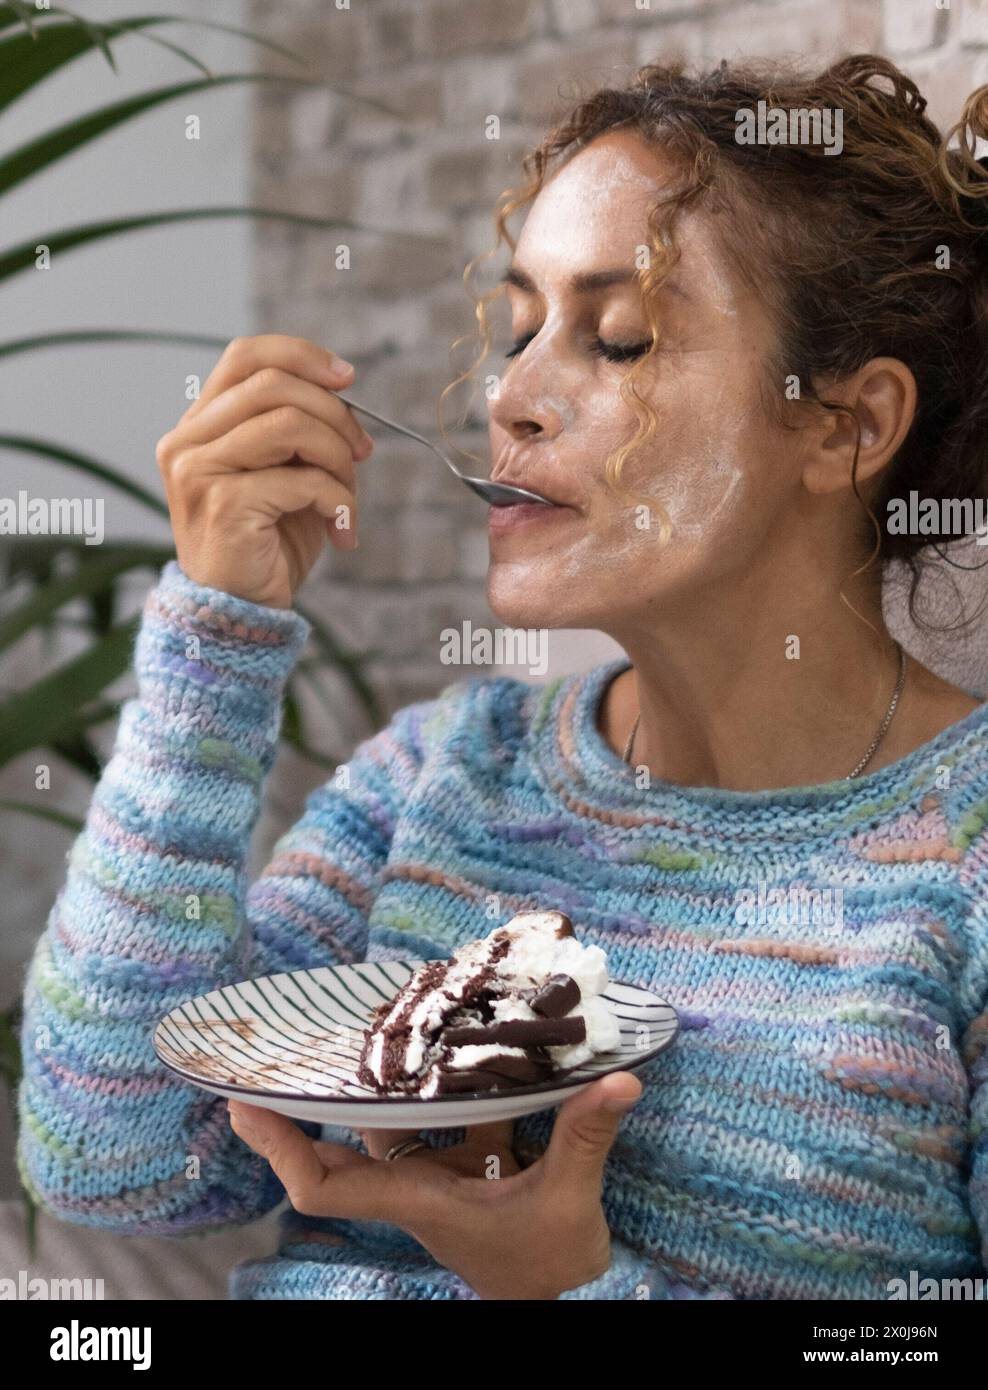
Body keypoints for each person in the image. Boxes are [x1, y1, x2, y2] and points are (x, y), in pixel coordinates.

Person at [17, 52, 988, 1300]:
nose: (511, 396)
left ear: (848, 426)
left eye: (620, 339)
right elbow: (118, 1158)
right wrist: (218, 630)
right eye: (523, 326)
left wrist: (569, 1284)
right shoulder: (439, 772)